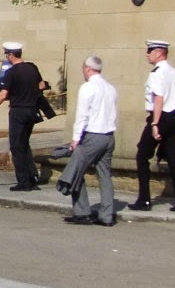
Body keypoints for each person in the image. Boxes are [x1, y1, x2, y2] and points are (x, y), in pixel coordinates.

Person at [59, 55, 118, 226]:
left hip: (92, 135)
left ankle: (82, 212)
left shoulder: (87, 88)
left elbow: (82, 116)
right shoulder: (110, 88)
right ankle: (106, 215)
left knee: (76, 171)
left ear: (87, 69)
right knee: (105, 176)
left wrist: (75, 139)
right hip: (108, 136)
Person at [133, 40, 175, 212]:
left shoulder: (157, 73)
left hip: (161, 116)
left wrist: (155, 124)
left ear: (158, 53)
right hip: (174, 117)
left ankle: (144, 200)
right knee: (174, 159)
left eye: (149, 51)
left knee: (142, 156)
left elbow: (159, 98)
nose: (147, 54)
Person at [0, 41, 46, 191]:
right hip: (32, 110)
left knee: (16, 146)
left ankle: (24, 182)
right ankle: (32, 176)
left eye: (6, 54)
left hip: (18, 111)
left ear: (11, 55)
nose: (6, 56)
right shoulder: (32, 67)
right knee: (24, 143)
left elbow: (3, 94)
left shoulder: (12, 72)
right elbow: (42, 84)